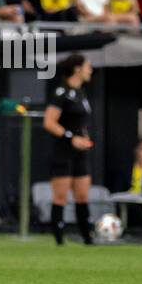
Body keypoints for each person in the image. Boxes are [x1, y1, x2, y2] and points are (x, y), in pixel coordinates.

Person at [44, 54, 95, 245]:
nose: (90, 70)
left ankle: (87, 237)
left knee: (82, 194)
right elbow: (49, 122)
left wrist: (84, 138)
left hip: (80, 152)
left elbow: (80, 123)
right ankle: (59, 239)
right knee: (61, 195)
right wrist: (70, 137)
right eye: (88, 66)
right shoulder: (61, 93)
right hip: (62, 151)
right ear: (77, 69)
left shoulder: (82, 93)